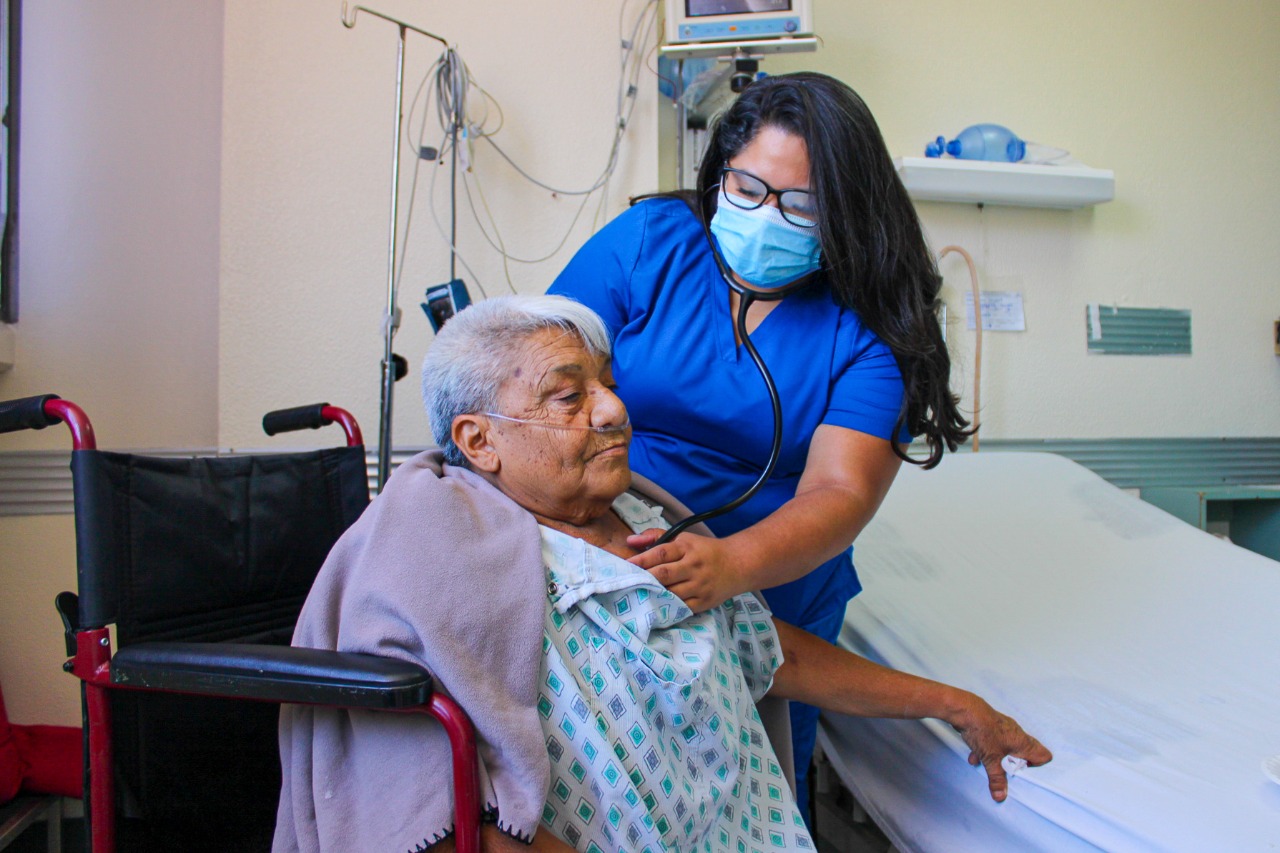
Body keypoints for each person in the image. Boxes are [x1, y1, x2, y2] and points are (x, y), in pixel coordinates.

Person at [273, 296, 1049, 853]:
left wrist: (955, 704)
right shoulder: (430, 552)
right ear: (479, 440)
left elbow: (768, 651)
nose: (612, 410)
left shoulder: (650, 522)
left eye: (607, 386)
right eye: (570, 397)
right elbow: (428, 809)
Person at [547, 72, 967, 815]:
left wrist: (729, 564)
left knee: (751, 799)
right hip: (614, 556)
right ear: (721, 174)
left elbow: (841, 491)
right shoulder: (652, 244)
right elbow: (542, 376)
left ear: (846, 211)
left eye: (800, 204)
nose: (765, 216)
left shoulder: (871, 326)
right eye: (747, 189)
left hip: (774, 584)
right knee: (610, 789)